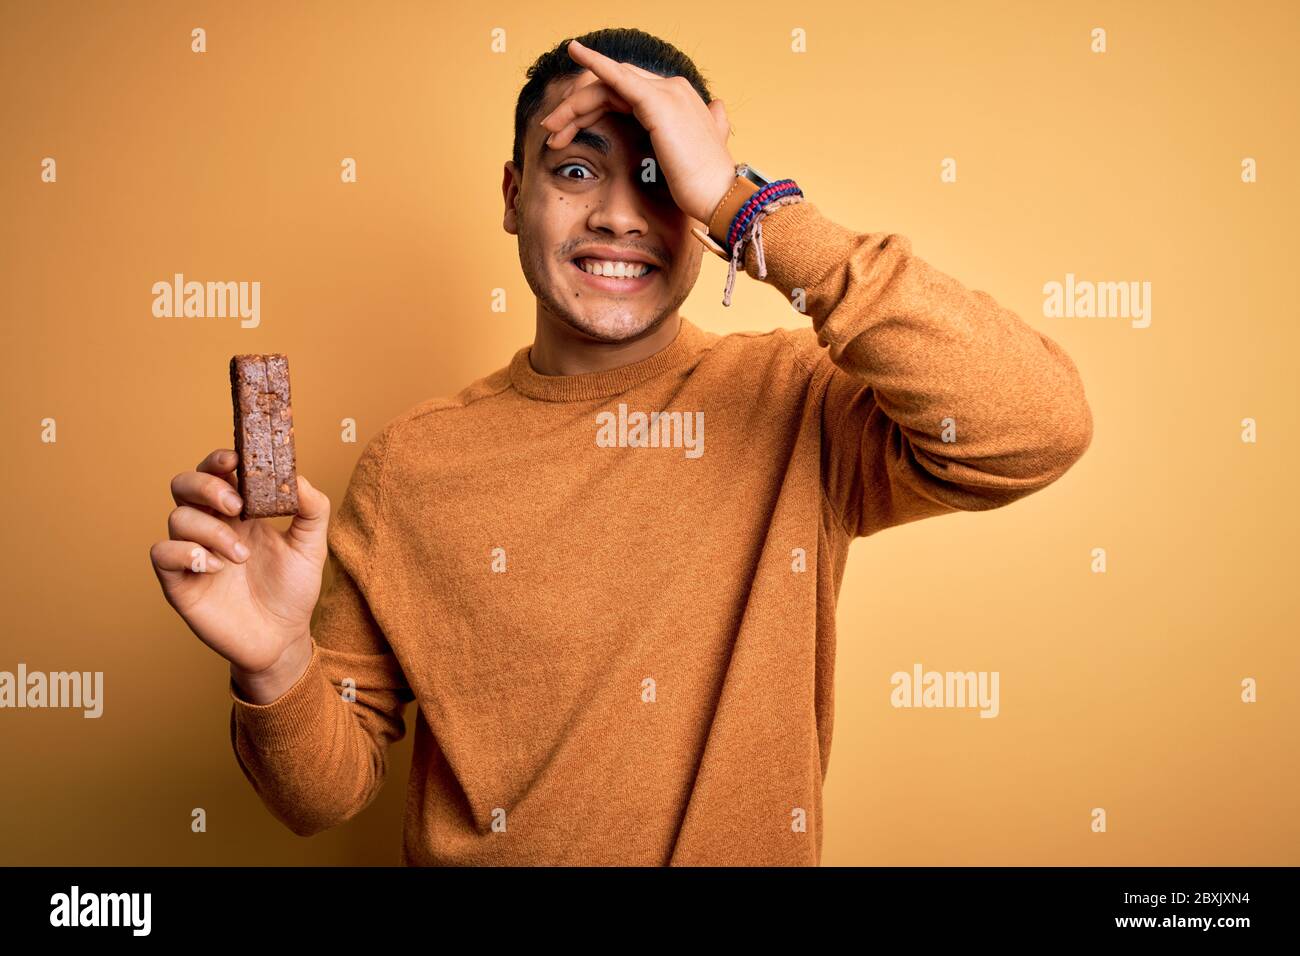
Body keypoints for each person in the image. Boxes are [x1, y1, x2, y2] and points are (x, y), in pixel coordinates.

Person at [149, 27, 1093, 865]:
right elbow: (327, 796)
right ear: (515, 197)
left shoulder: (795, 404)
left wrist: (743, 204)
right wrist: (275, 665)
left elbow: (1037, 426)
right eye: (575, 169)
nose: (618, 215)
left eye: (658, 178)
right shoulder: (410, 467)